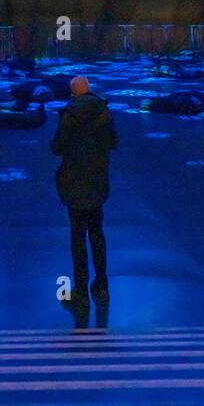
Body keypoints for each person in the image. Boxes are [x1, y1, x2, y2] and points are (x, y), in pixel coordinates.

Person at [51, 75, 117, 306]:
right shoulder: (104, 112)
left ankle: (80, 291)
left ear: (73, 93)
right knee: (97, 235)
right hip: (97, 182)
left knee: (77, 238)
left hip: (75, 184)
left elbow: (56, 148)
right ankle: (102, 285)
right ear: (89, 90)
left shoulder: (69, 115)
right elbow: (113, 143)